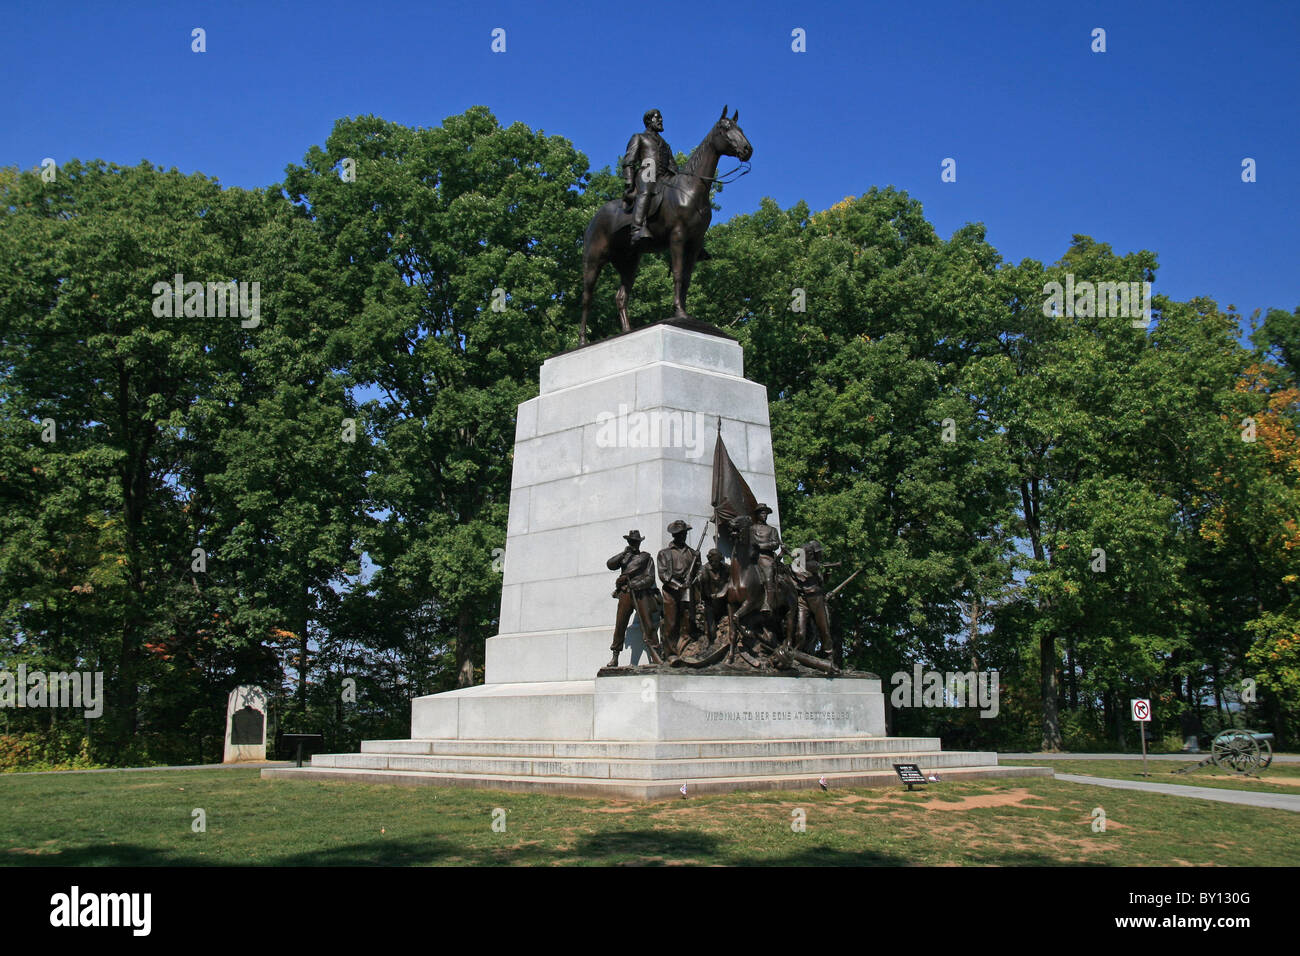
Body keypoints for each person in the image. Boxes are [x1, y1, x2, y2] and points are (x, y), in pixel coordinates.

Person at [621, 108, 678, 244]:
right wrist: (629, 182)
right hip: (647, 173)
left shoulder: (666, 145)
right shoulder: (639, 137)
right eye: (657, 118)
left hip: (664, 178)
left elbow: (673, 166)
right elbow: (629, 161)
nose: (660, 120)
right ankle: (637, 229)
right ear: (648, 120)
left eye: (661, 118)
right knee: (646, 191)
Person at [607, 530, 662, 667]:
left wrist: (633, 583)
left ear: (639, 543)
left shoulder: (646, 558)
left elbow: (650, 578)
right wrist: (624, 553)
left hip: (641, 593)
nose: (633, 544)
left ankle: (655, 654)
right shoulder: (625, 558)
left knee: (648, 624)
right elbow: (610, 564)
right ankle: (615, 656)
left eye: (635, 542)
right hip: (625, 594)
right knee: (620, 624)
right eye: (631, 542)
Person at [656, 520, 699, 659]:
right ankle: (671, 653)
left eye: (684, 533)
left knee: (688, 620)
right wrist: (679, 585)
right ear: (674, 535)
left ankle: (686, 649)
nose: (683, 536)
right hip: (671, 591)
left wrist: (694, 579)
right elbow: (664, 575)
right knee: (671, 622)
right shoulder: (664, 553)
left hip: (688, 590)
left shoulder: (693, 553)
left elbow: (699, 572)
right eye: (680, 534)